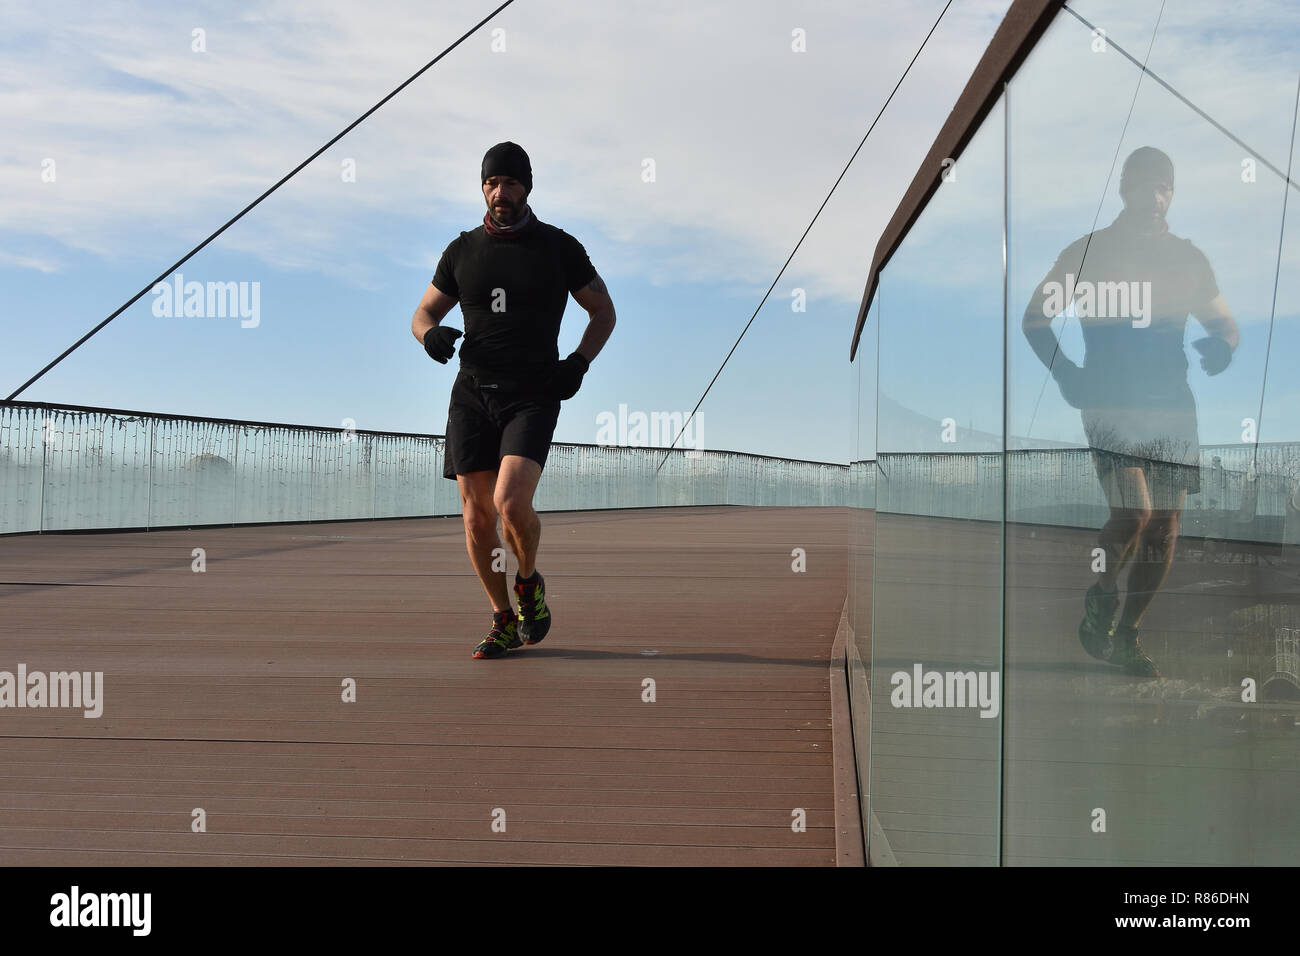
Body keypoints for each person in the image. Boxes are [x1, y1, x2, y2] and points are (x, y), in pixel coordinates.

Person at [1022, 146, 1239, 677]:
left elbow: (1225, 325)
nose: (1154, 196)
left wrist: (1224, 346)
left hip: (1172, 410)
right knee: (1133, 515)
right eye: (1143, 185)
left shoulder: (1188, 258)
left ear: (1172, 194)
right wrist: (1069, 375)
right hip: (1109, 403)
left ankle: (1127, 636)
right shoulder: (1087, 252)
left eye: (1163, 186)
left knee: (1165, 528)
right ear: (1125, 190)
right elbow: (1035, 319)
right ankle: (1101, 595)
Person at [410, 142, 616, 659]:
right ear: (482, 187)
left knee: (509, 503)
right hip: (473, 395)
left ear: (528, 186)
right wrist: (429, 336)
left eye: (511, 183)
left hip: (534, 393)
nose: (501, 193)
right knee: (477, 519)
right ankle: (503, 617)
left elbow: (603, 312)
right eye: (492, 184)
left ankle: (529, 582)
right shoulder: (461, 251)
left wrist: (579, 363)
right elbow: (422, 316)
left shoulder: (559, 248)